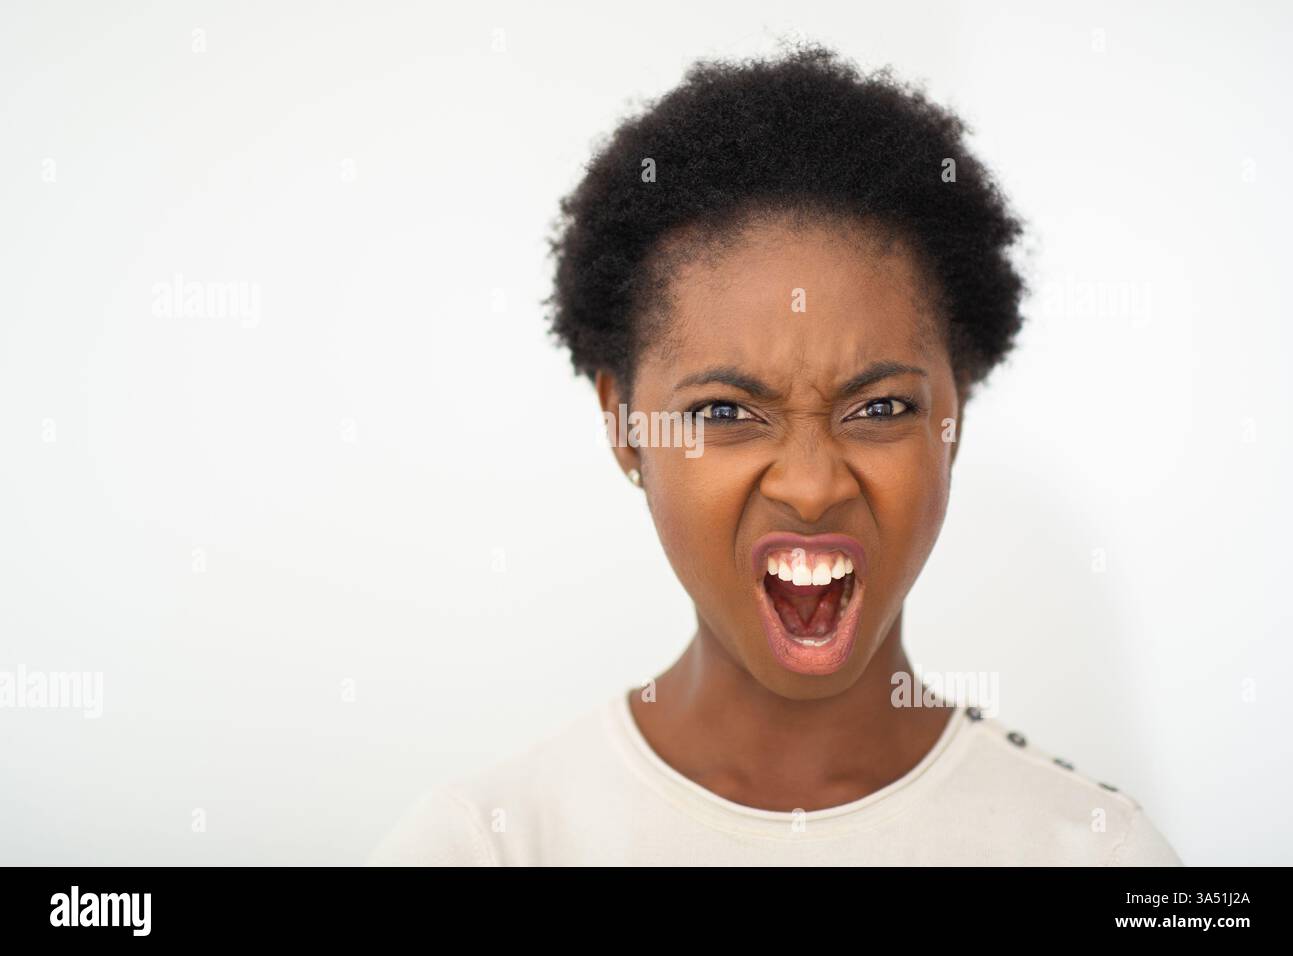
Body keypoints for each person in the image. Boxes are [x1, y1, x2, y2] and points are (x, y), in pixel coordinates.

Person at [370, 43, 1182, 866]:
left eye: (881, 407)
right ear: (625, 425)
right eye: (724, 411)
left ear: (954, 417)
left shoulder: (1098, 851)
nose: (810, 485)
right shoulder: (485, 843)